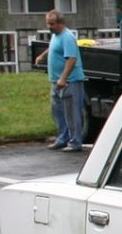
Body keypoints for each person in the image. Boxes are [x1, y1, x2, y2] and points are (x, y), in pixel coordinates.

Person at [34, 10, 87, 151]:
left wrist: (63, 78)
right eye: (47, 23)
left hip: (69, 81)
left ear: (60, 23)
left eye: (52, 24)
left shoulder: (67, 37)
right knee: (57, 111)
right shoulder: (56, 36)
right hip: (56, 81)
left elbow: (71, 59)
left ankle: (75, 142)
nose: (49, 26)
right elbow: (53, 48)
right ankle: (63, 137)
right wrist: (42, 55)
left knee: (72, 112)